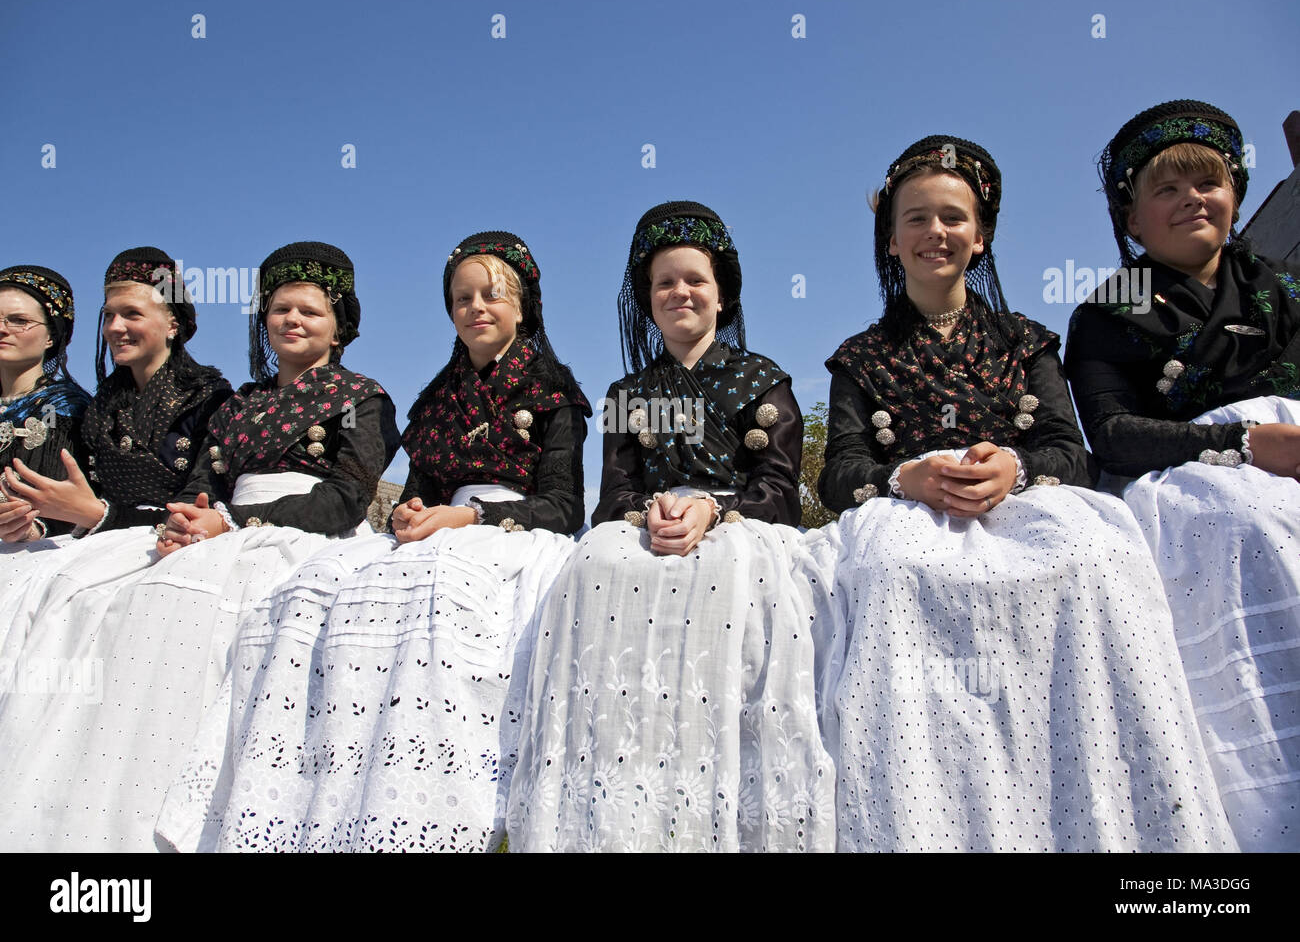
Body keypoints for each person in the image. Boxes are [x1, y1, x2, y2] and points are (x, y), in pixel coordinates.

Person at [818, 136, 1235, 851]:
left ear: (980, 238)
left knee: (1095, 560)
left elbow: (1070, 452)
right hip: (911, 515)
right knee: (890, 576)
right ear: (891, 240)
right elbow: (837, 473)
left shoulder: (1026, 341)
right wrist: (905, 477)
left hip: (1025, 505)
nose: (935, 233)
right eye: (915, 218)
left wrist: (1013, 465)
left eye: (953, 218)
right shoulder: (860, 357)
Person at [155, 231, 589, 852]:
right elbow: (417, 491)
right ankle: (316, 798)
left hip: (509, 537)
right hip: (436, 534)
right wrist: (414, 513)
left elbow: (564, 506)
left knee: (434, 601)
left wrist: (465, 520)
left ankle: (442, 801)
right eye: (462, 297)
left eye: (493, 295)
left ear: (524, 307)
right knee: (319, 588)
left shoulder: (554, 395)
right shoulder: (438, 398)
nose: (476, 307)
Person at [0, 241, 399, 851]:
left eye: (310, 312)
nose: (292, 321)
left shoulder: (362, 399)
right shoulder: (242, 404)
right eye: (279, 309)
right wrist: (194, 517)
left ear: (341, 325)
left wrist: (235, 522)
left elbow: (347, 496)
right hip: (222, 529)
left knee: (183, 604)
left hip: (300, 532)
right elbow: (201, 482)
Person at [506, 201, 836, 852]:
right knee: (599, 561)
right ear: (647, 299)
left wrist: (714, 509)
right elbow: (614, 494)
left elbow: (778, 485)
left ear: (723, 294)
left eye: (695, 280)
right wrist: (646, 513)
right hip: (645, 525)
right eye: (664, 283)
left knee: (730, 570)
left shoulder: (762, 378)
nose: (680, 292)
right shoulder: (628, 393)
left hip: (738, 523)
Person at [1065, 100, 1300, 851]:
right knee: (1239, 521)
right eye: (1166, 189)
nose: (1191, 198)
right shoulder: (1105, 313)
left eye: (1208, 181)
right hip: (1191, 473)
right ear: (1131, 218)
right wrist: (1242, 443)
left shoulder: (1285, 291)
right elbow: (1112, 436)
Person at [0, 247, 231, 651]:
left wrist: (95, 515)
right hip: (95, 544)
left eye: (132, 314)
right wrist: (36, 523)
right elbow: (75, 502)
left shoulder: (208, 399)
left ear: (173, 323)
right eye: (108, 315)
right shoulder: (104, 406)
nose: (115, 327)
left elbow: (201, 502)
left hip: (171, 553)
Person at [0, 264, 91, 542]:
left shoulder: (68, 410)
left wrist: (33, 528)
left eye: (19, 320)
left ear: (51, 336)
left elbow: (77, 506)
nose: (3, 330)